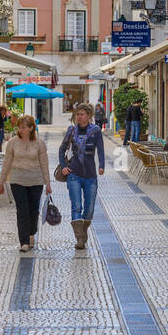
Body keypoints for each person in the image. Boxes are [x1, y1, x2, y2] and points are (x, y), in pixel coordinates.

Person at [0, 114, 50, 253]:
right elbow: (7, 162)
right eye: (19, 127)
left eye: (24, 127)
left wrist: (48, 183)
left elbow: (44, 164)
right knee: (22, 210)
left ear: (31, 128)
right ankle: (24, 241)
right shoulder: (13, 142)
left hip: (36, 180)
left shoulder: (39, 143)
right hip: (17, 179)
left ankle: (31, 232)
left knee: (34, 210)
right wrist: (1, 182)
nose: (21, 130)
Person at [58, 103, 105, 248]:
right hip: (74, 175)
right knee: (76, 206)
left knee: (89, 209)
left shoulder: (95, 131)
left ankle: (83, 231)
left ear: (89, 116)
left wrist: (102, 165)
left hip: (90, 175)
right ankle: (79, 239)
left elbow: (101, 150)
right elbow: (62, 150)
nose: (79, 117)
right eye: (77, 114)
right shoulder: (71, 131)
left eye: (82, 114)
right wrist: (64, 167)